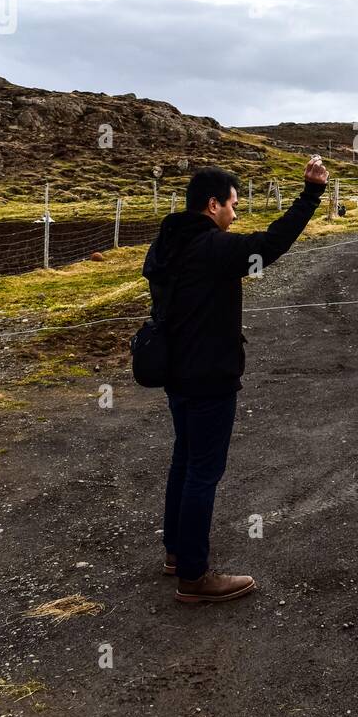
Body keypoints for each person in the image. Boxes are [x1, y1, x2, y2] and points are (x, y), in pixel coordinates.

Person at [142, 157, 328, 604]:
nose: (236, 214)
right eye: (233, 205)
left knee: (184, 463)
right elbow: (272, 243)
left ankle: (176, 553)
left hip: (176, 374)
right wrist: (311, 194)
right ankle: (194, 576)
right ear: (212, 205)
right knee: (203, 473)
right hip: (209, 376)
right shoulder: (210, 248)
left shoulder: (166, 244)